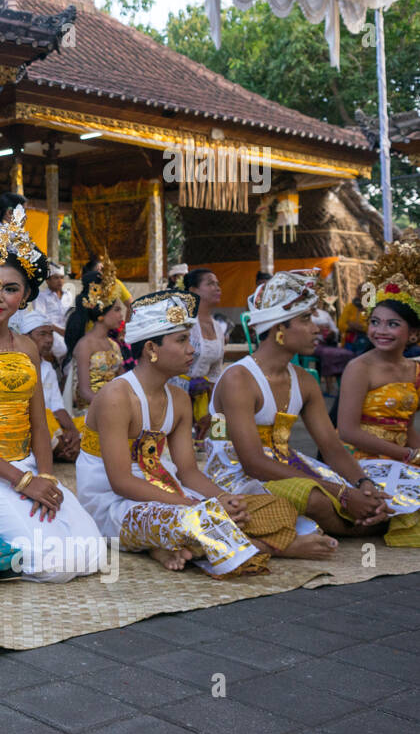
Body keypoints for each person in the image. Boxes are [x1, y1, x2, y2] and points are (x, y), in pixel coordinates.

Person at [78, 290, 334, 577]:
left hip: (170, 492)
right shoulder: (116, 396)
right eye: (182, 340)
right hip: (113, 502)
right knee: (190, 519)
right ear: (151, 348)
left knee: (274, 506)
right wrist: (201, 505)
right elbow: (122, 482)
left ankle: (172, 546)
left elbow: (188, 472)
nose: (192, 350)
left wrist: (225, 499)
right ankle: (274, 547)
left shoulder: (178, 398)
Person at [0, 213, 103, 582]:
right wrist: (23, 483)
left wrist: (45, 476)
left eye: (10, 289)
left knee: (93, 551)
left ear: (24, 296)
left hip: (24, 466)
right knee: (53, 564)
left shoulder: (27, 347)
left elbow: (38, 422)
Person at [203, 270, 392, 539]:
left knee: (384, 497)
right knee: (316, 499)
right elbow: (253, 463)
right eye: (305, 318)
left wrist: (363, 485)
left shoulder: (304, 381)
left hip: (285, 465)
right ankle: (361, 527)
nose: (317, 328)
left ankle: (360, 519)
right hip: (234, 474)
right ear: (280, 328)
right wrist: (341, 492)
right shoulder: (239, 379)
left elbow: (332, 447)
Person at [334, 246, 420, 546]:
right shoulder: (359, 367)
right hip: (361, 460)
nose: (381, 330)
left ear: (413, 335)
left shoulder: (415, 370)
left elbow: (408, 427)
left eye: (393, 324)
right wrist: (406, 456)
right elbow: (347, 431)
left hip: (400, 457)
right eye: (375, 322)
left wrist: (416, 456)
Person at [11, 308, 80, 461]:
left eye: (50, 334)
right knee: (44, 416)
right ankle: (66, 450)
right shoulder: (15, 365)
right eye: (42, 334)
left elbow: (58, 406)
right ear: (25, 337)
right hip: (28, 425)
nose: (49, 339)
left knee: (86, 423)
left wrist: (72, 430)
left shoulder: (48, 367)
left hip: (51, 426)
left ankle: (64, 447)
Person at [66, 258, 126, 414]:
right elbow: (84, 391)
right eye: (117, 310)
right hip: (91, 414)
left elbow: (123, 381)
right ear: (101, 314)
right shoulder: (85, 345)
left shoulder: (113, 344)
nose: (122, 315)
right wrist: (112, 408)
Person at [181, 267, 227, 438]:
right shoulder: (184, 323)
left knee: (220, 421)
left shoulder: (218, 328)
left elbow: (215, 374)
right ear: (193, 291)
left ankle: (218, 450)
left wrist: (211, 410)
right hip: (176, 393)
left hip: (203, 396)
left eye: (217, 284)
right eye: (210, 283)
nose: (217, 287)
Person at [33, 263, 72, 361]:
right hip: (51, 332)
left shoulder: (68, 295)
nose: (60, 281)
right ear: (47, 281)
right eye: (56, 278)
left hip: (69, 331)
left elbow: (71, 315)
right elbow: (42, 320)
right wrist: (62, 332)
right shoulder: (40, 296)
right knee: (63, 350)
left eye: (62, 278)